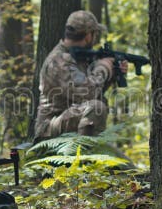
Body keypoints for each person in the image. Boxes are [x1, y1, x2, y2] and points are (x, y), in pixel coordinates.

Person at [34, 10, 127, 141]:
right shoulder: (59, 61)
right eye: (95, 34)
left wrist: (113, 73)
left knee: (98, 104)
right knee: (96, 107)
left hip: (67, 122)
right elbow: (87, 93)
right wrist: (103, 68)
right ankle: (85, 156)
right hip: (48, 130)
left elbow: (94, 92)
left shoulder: (79, 57)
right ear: (88, 36)